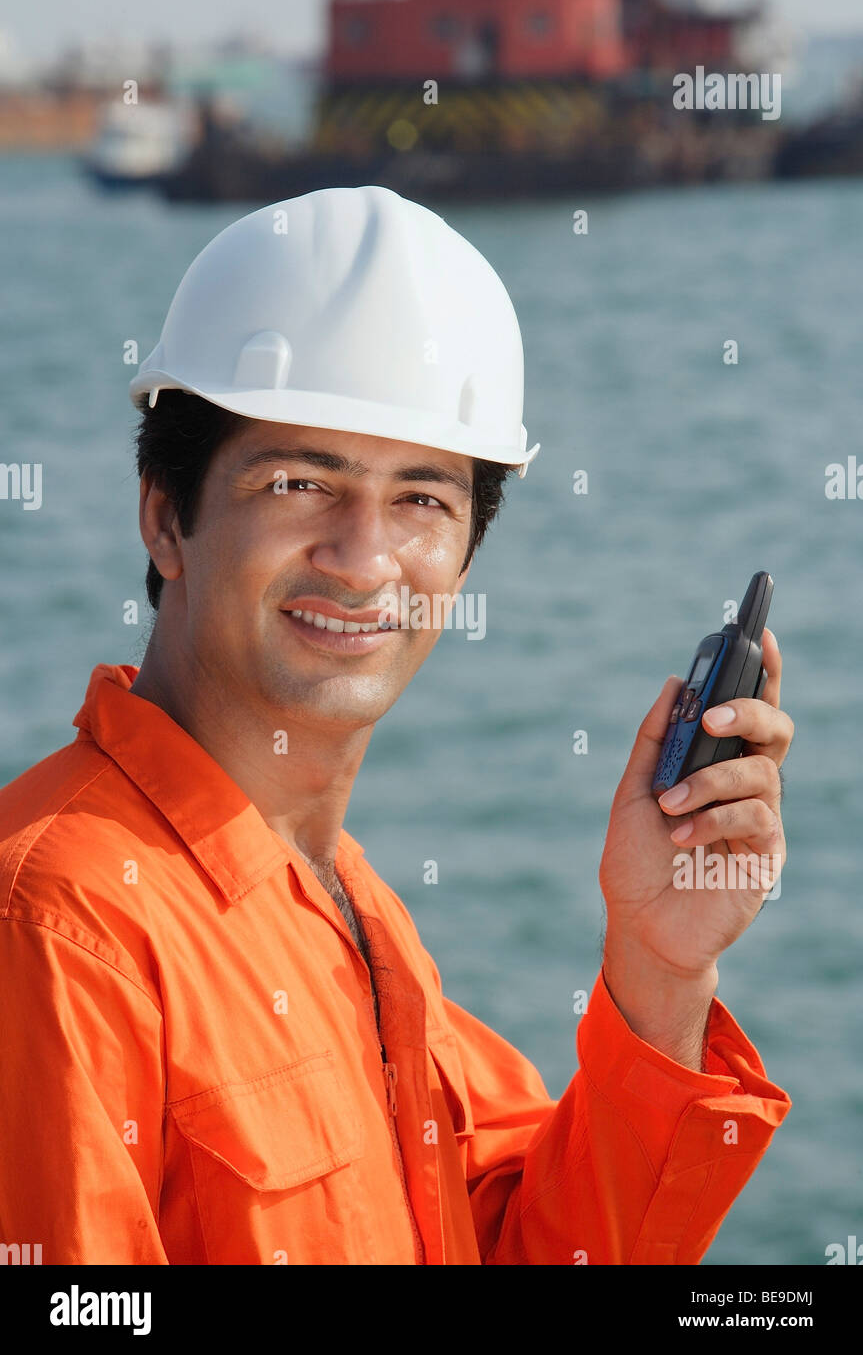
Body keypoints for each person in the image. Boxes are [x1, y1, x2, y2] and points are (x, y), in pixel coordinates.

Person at [0, 186, 792, 1265]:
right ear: (164, 518)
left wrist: (657, 970)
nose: (363, 557)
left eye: (421, 499)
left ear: (464, 557)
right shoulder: (59, 929)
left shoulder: (353, 918)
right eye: (298, 481)